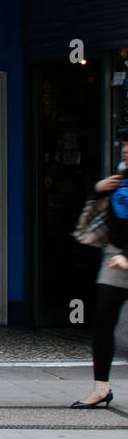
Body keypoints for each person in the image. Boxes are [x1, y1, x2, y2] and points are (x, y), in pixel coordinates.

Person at [72, 137, 128, 409]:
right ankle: (101, 388)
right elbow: (91, 220)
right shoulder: (119, 179)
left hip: (123, 257)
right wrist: (97, 190)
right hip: (114, 256)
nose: (127, 152)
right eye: (126, 147)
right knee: (103, 319)